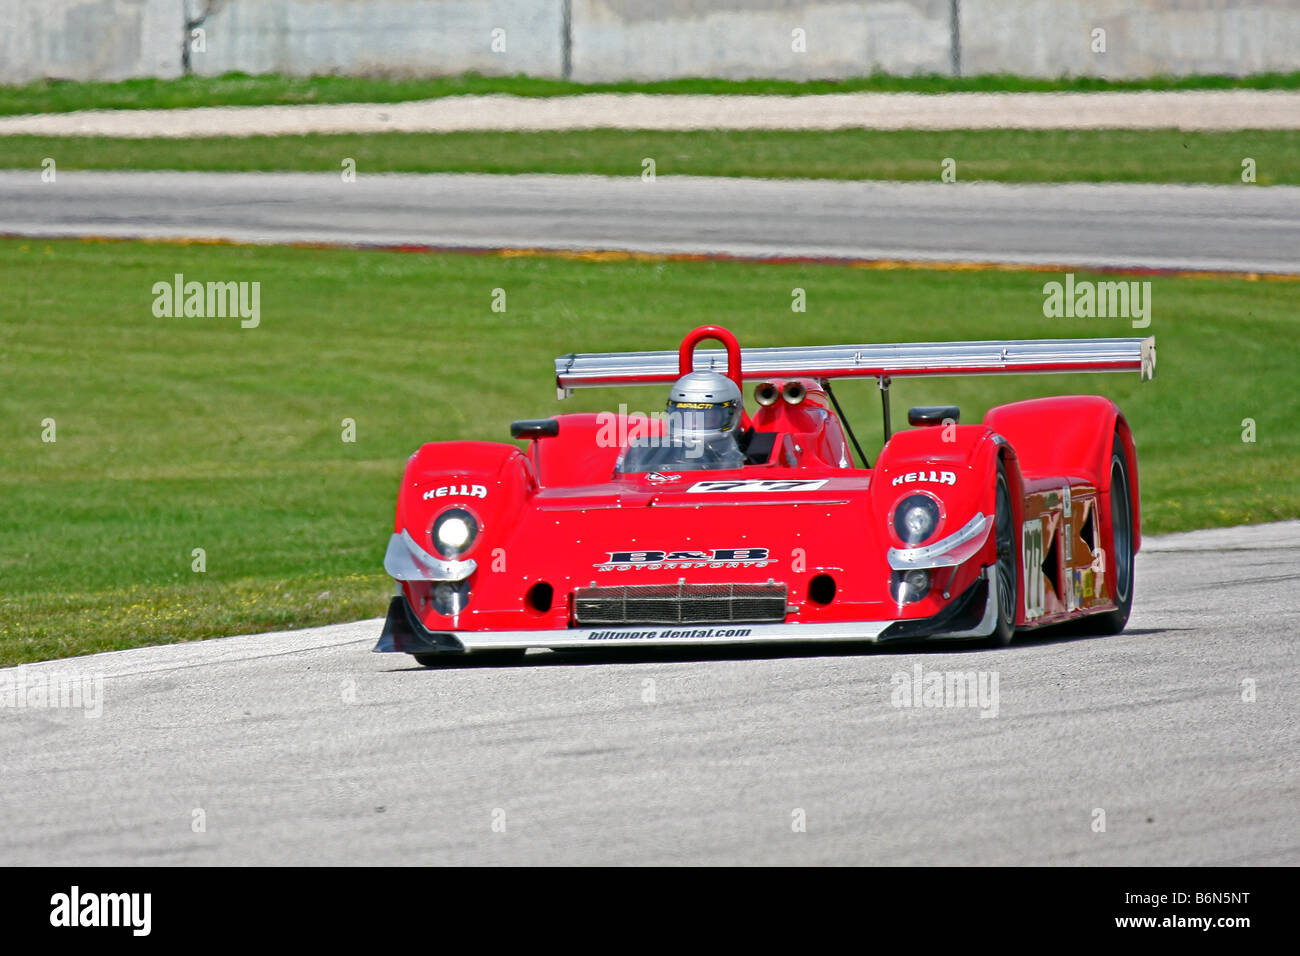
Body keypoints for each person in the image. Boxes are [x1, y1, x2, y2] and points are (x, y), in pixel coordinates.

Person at [617, 370, 746, 473]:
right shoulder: (649, 453)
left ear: (732, 414)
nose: (694, 425)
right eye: (684, 417)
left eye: (705, 418)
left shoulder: (739, 459)